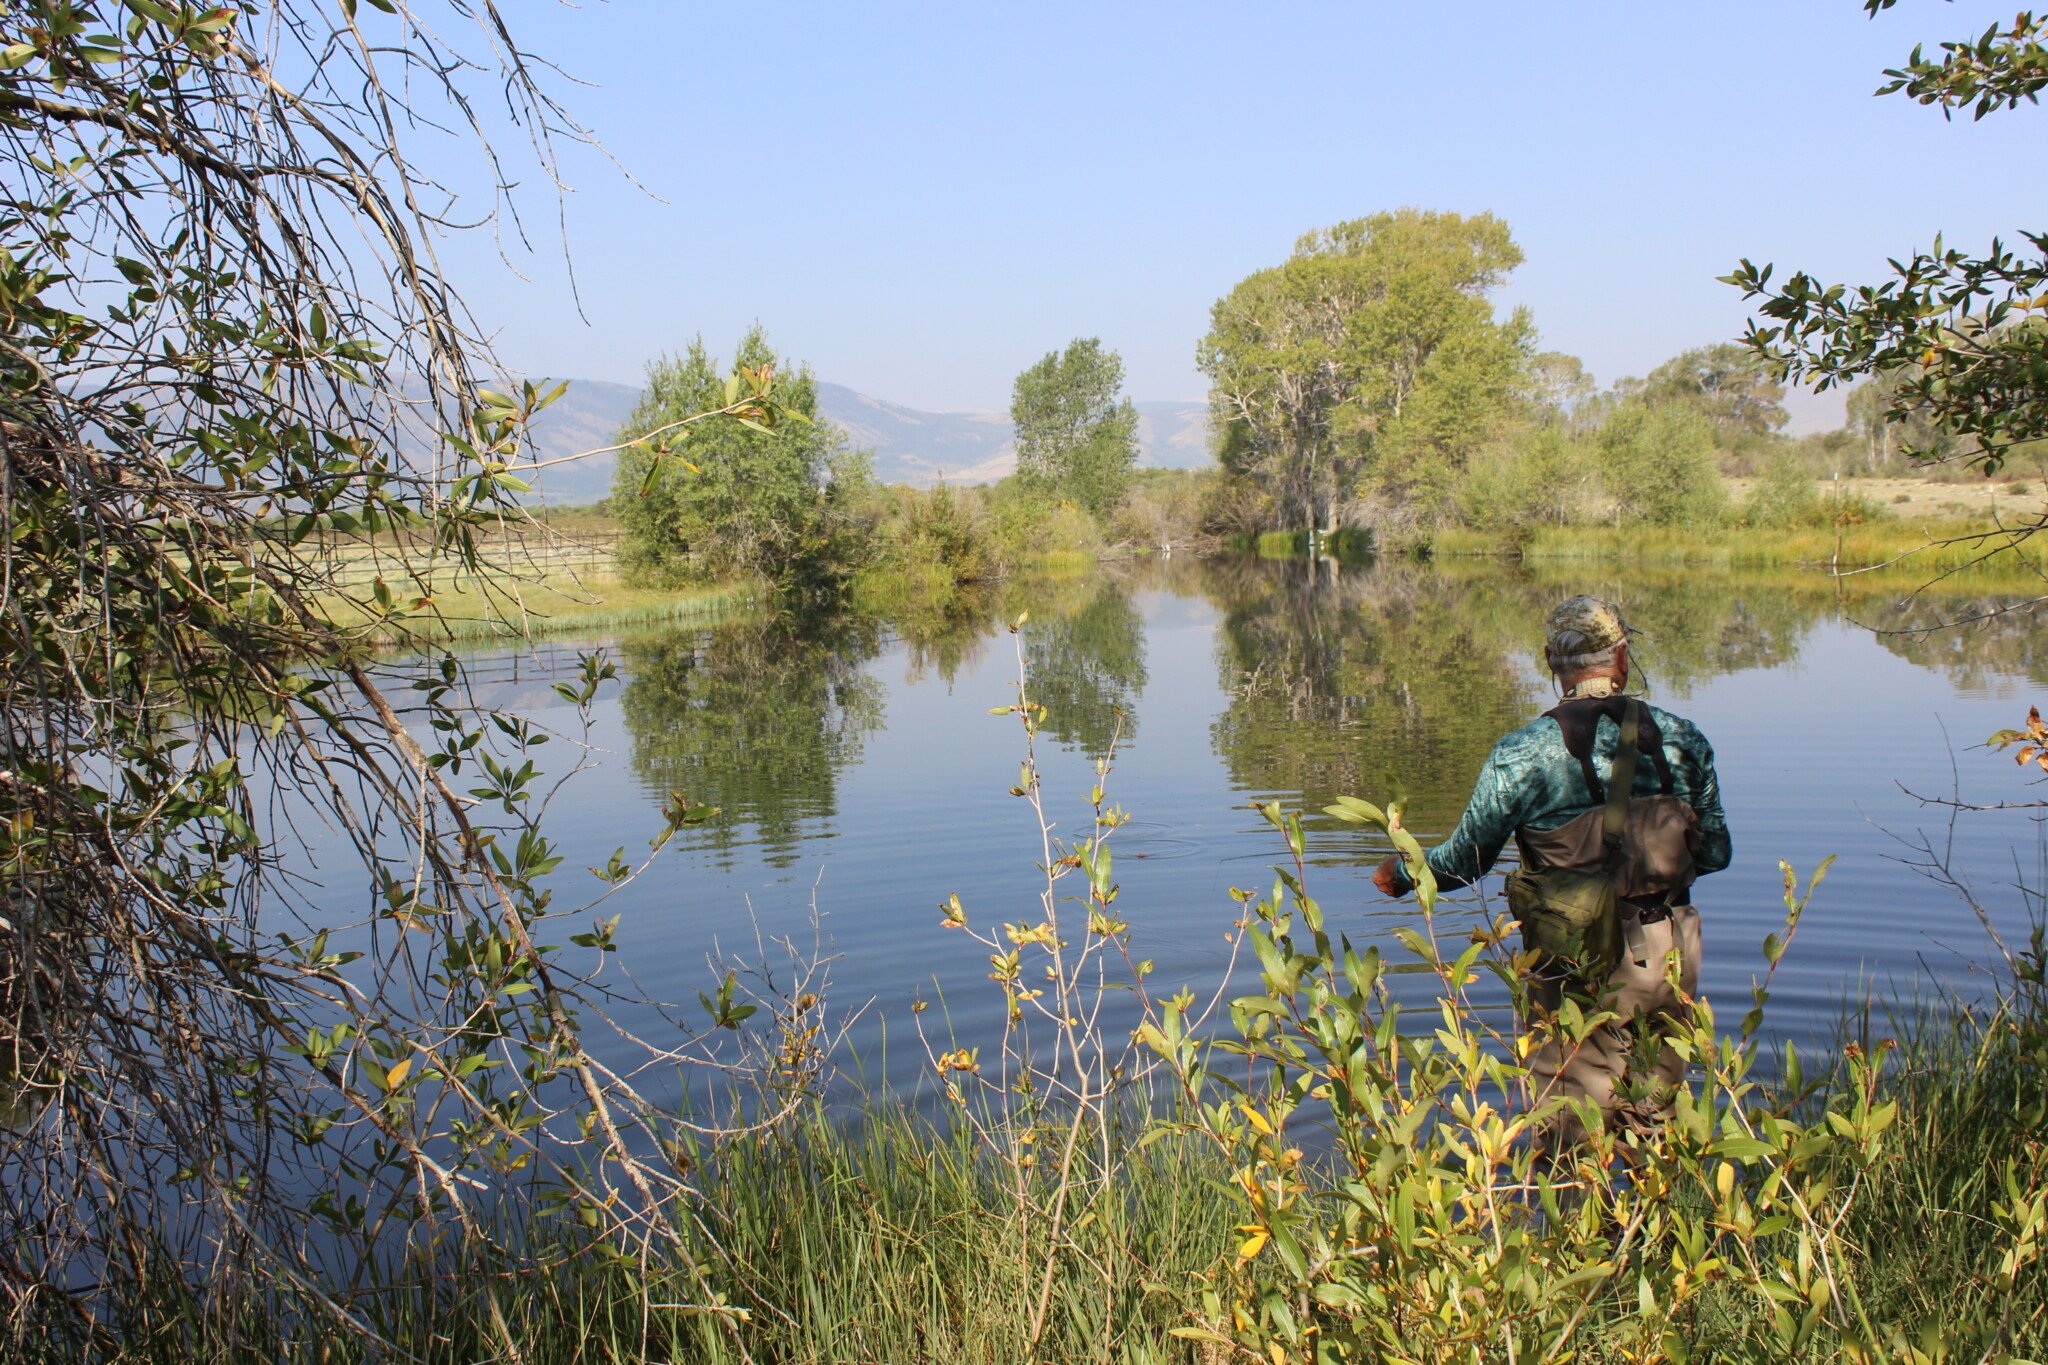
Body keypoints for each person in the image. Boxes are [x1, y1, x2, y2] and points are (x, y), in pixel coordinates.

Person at [1371, 595, 1731, 1141]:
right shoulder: (1683, 741)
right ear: (1622, 658)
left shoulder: (1522, 754)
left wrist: (1401, 875)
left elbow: (1465, 863)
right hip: (1669, 953)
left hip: (1577, 958)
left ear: (1550, 661)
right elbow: (1716, 853)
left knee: (1567, 1136)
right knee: (1657, 1131)